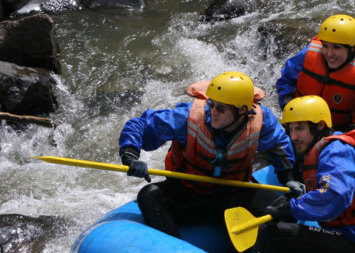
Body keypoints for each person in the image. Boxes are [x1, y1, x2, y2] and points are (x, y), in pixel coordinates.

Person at [118, 71, 296, 238]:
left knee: (285, 209)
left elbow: (278, 144)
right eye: (211, 104)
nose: (213, 111)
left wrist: (287, 177)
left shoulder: (261, 120)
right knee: (149, 194)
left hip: (233, 193)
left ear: (242, 110)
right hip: (188, 193)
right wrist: (130, 156)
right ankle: (174, 251)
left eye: (221, 108)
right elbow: (141, 125)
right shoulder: (189, 117)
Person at [246, 95, 355, 253]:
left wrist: (291, 208)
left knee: (272, 233)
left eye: (299, 128)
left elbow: (333, 195)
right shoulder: (320, 149)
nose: (293, 137)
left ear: (320, 126)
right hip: (347, 232)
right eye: (291, 129)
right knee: (280, 223)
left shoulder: (337, 152)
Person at [275, 14, 355, 134]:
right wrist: (291, 115)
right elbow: (286, 82)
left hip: (341, 129)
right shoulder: (308, 55)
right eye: (325, 46)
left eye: (336, 48)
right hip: (301, 123)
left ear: (352, 49)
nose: (329, 53)